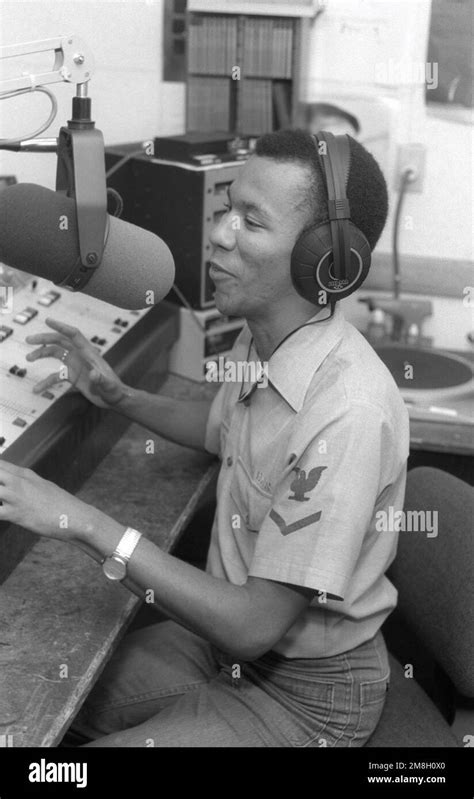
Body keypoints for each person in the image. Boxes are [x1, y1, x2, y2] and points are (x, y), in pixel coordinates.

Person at [0, 129, 409, 747]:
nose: (219, 233)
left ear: (322, 258)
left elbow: (252, 625)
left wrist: (77, 518)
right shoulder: (264, 334)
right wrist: (119, 396)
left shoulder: (347, 414)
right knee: (27, 710)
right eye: (228, 209)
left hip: (306, 694)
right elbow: (222, 432)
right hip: (224, 653)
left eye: (252, 221)